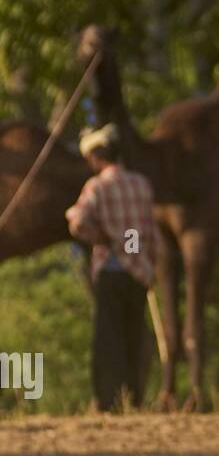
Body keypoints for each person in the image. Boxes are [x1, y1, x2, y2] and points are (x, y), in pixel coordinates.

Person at [66, 123, 157, 411]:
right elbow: (152, 232)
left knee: (109, 338)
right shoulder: (141, 184)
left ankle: (108, 401)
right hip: (139, 271)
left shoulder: (97, 186)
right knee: (133, 336)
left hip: (111, 269)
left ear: (96, 156)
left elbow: (77, 220)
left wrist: (101, 237)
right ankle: (134, 398)